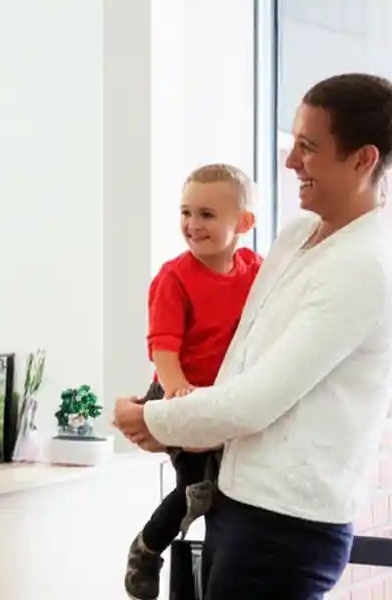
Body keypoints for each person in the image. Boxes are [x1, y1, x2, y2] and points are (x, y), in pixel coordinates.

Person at [114, 72, 392, 599]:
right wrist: (175, 415)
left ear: (363, 160)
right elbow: (242, 359)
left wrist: (155, 419)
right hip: (239, 498)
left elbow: (256, 400)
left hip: (287, 526)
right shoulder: (299, 235)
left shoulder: (363, 269)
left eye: (307, 147)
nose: (290, 160)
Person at [124, 164, 262, 600]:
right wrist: (178, 397)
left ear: (242, 223)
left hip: (218, 400)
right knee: (195, 491)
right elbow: (163, 345)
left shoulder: (254, 271)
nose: (192, 225)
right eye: (186, 212)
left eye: (206, 215)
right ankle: (147, 549)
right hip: (175, 390)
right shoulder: (174, 277)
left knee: (225, 492)